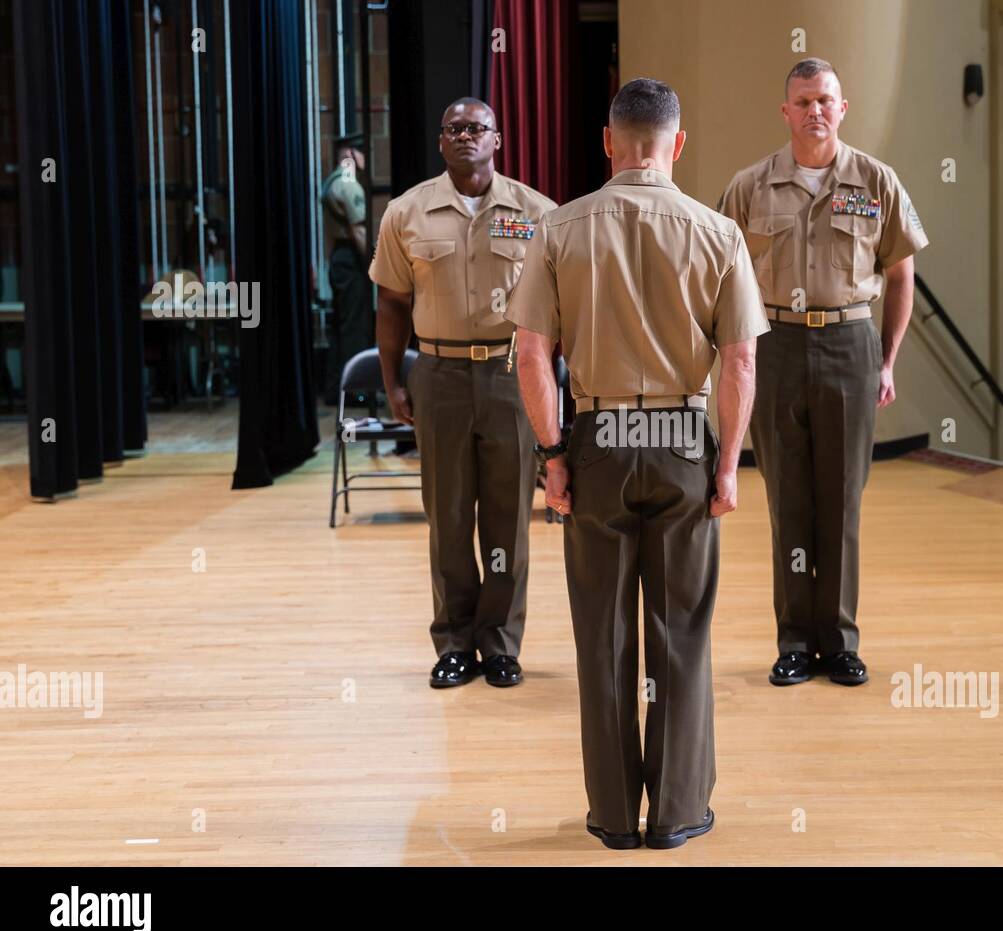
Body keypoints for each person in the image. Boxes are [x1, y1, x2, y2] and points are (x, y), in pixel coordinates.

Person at [510, 78, 767, 849]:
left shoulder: (557, 229)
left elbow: (530, 354)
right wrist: (726, 467)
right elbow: (742, 363)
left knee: (603, 637)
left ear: (607, 141)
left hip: (598, 444)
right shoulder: (718, 232)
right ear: (676, 144)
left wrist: (553, 456)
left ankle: (615, 818)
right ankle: (681, 812)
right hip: (686, 444)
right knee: (682, 634)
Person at [719, 57, 929, 687]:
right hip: (776, 343)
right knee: (788, 499)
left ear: (843, 109)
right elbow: (723, 276)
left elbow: (900, 275)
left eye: (825, 100)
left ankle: (838, 640)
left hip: (848, 344)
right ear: (786, 112)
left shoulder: (876, 181)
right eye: (803, 100)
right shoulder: (749, 186)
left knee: (841, 501)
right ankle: (792, 642)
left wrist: (885, 360)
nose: (815, 110)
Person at [369, 98, 556, 688]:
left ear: (497, 139)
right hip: (441, 376)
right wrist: (392, 380)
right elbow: (393, 303)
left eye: (477, 127)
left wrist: (555, 386)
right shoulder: (406, 214)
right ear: (441, 140)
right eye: (455, 128)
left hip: (509, 375)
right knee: (447, 516)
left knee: (507, 518)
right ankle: (453, 643)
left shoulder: (538, 212)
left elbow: (559, 310)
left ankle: (499, 644)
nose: (466, 136)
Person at [321, 133, 373, 401]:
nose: (366, 158)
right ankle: (356, 391)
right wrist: (374, 266)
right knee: (354, 326)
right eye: (361, 152)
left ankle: (336, 390)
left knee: (343, 327)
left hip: (340, 258)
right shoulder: (348, 185)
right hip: (351, 258)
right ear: (351, 155)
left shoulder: (332, 180)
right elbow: (358, 231)